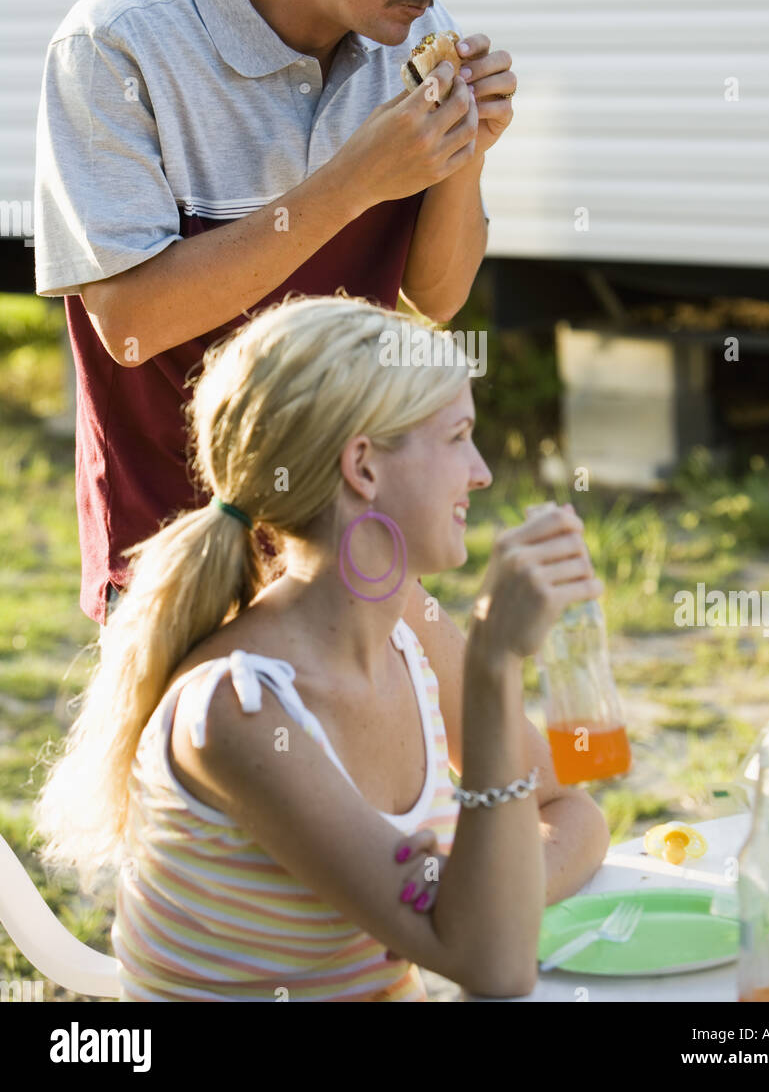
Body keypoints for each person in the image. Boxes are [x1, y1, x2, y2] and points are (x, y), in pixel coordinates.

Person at [33, 0, 517, 630]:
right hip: (173, 558)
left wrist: (465, 152)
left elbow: (434, 299)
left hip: (346, 551)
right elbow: (132, 325)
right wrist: (356, 180)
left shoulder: (416, 39)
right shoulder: (115, 46)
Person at [33, 295, 610, 1002]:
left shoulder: (409, 626)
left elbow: (570, 807)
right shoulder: (237, 712)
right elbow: (493, 965)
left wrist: (482, 894)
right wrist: (493, 667)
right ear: (363, 467)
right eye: (458, 437)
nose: (482, 471)